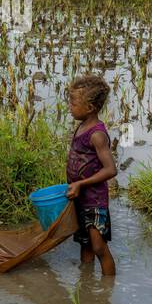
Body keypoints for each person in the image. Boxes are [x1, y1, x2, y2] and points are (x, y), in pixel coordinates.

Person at [65, 74, 117, 275]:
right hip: (79, 199)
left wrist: (80, 184)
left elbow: (110, 169)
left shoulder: (96, 134)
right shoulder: (81, 126)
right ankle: (86, 289)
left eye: (74, 102)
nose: (70, 106)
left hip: (94, 201)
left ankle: (107, 290)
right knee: (84, 244)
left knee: (98, 247)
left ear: (90, 108)